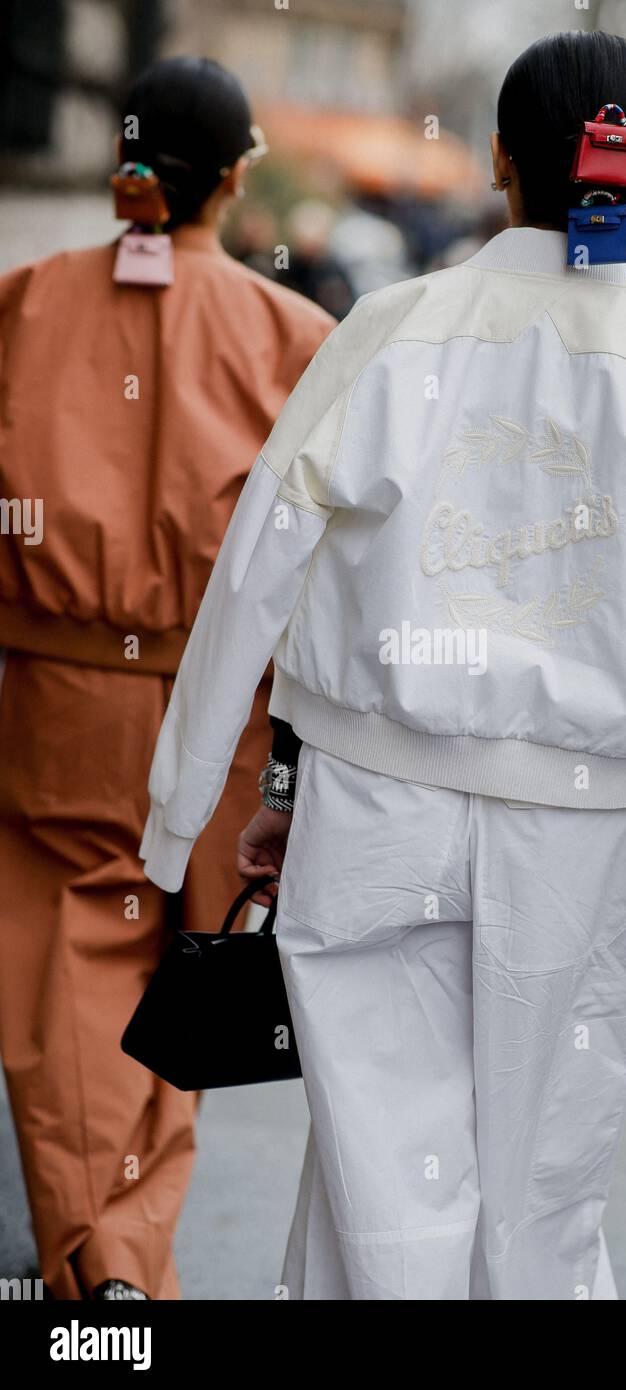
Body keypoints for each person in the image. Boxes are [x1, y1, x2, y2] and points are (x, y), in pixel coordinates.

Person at [140, 32, 626, 1301]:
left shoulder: (390, 332)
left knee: (373, 1171)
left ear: (496, 160)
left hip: (372, 805)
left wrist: (193, 802)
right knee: (542, 1189)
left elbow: (262, 571)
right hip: (584, 838)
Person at [0, 56, 333, 1300]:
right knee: (183, 982)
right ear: (238, 176)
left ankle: (103, 1273)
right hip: (224, 707)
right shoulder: (296, 336)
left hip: (55, 697)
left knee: (68, 995)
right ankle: (124, 1262)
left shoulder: (22, 303)